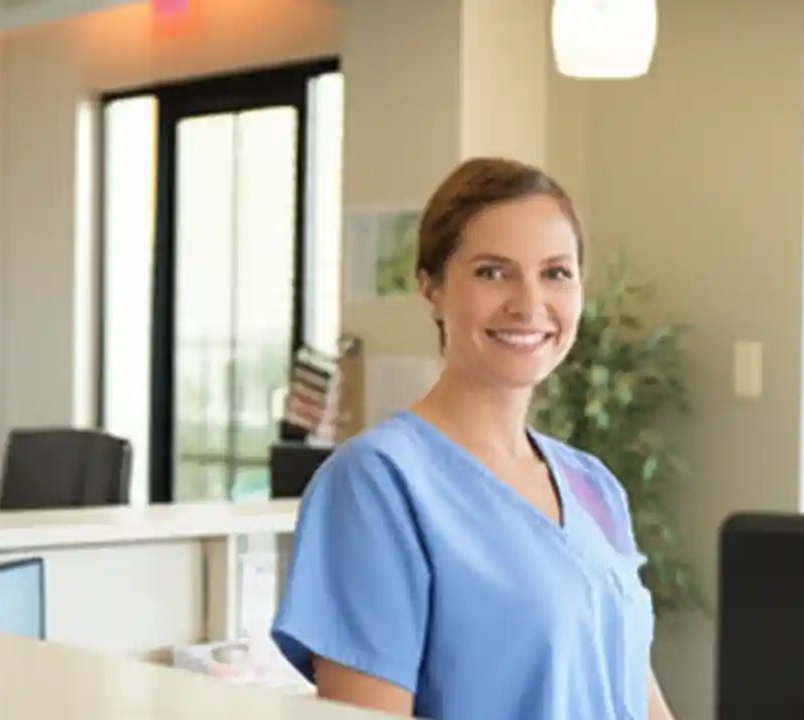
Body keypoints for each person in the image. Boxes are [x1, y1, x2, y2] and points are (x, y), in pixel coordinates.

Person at [271, 157, 675, 720]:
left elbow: (636, 690)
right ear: (431, 289)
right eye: (492, 271)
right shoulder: (377, 485)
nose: (529, 303)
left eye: (556, 272)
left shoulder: (594, 486)